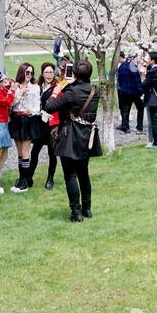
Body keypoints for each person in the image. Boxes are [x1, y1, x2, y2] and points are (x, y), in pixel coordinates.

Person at [44, 59, 100, 222]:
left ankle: (76, 212)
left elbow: (49, 106)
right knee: (84, 173)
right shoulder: (95, 91)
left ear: (74, 74)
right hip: (87, 134)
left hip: (70, 135)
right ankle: (87, 209)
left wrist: (57, 89)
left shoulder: (70, 92)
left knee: (70, 175)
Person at [9, 62, 40, 192]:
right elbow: (10, 104)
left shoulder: (35, 87)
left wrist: (31, 111)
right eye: (27, 72)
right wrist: (19, 92)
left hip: (28, 119)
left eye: (31, 73)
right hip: (16, 119)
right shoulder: (15, 86)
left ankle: (24, 181)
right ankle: (23, 177)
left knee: (25, 150)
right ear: (22, 72)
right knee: (19, 151)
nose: (29, 75)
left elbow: (37, 106)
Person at [29, 63, 61, 190]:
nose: (49, 75)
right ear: (42, 73)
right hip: (39, 123)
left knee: (52, 153)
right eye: (46, 72)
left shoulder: (58, 87)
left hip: (52, 124)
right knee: (34, 151)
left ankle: (50, 179)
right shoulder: (38, 86)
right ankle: (29, 177)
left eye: (51, 72)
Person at [115, 51, 143, 133]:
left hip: (124, 91)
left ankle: (125, 126)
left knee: (125, 109)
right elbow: (137, 80)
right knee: (140, 109)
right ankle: (139, 127)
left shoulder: (121, 67)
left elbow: (119, 80)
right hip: (135, 92)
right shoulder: (133, 66)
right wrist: (141, 91)